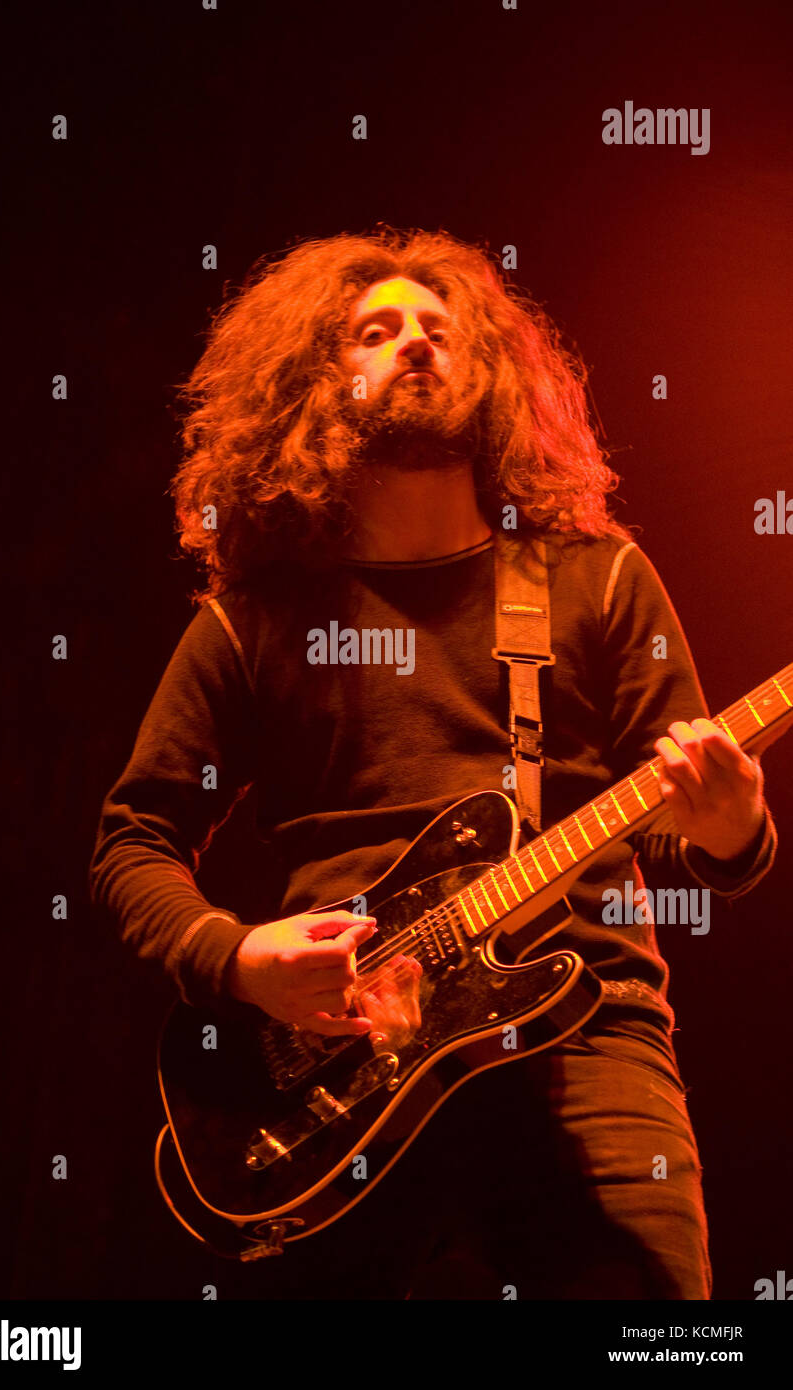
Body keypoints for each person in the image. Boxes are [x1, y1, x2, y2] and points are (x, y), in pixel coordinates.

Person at [89, 227, 777, 1300]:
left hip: (581, 1037)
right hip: (331, 1075)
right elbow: (133, 840)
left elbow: (689, 834)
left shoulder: (594, 579)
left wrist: (731, 824)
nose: (414, 342)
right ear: (318, 382)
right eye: (376, 330)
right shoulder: (253, 623)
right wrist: (239, 957)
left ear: (488, 371)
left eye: (437, 327)